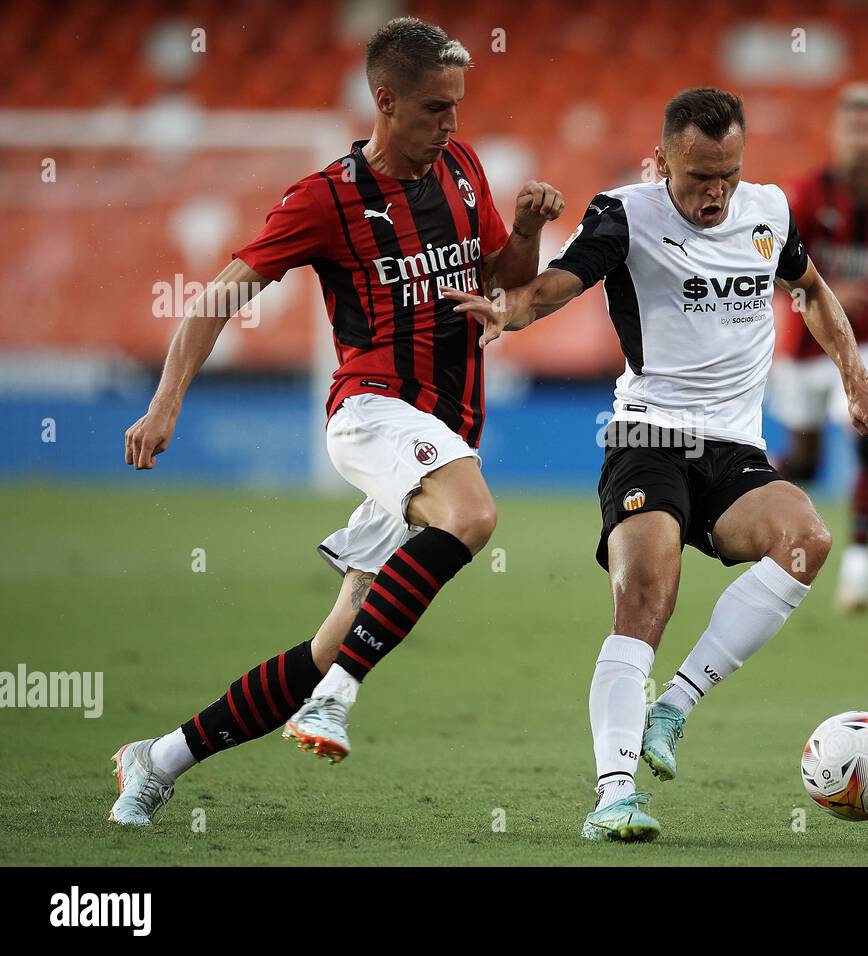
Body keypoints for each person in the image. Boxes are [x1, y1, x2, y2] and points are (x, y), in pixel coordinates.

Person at [110, 17, 564, 826]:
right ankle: (334, 701)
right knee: (474, 515)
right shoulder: (325, 199)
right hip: (373, 413)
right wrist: (166, 400)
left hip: (442, 436)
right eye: (434, 109)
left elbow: (501, 278)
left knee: (333, 640)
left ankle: (159, 759)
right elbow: (218, 297)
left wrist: (527, 229)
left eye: (458, 106)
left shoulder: (461, 168)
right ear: (385, 101)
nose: (451, 125)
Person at [441, 87, 868, 842]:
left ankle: (674, 707)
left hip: (734, 450)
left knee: (807, 539)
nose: (714, 194)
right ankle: (613, 795)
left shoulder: (769, 211)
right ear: (663, 163)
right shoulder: (626, 213)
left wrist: (856, 379)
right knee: (647, 600)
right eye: (697, 179)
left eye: (727, 175)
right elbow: (563, 279)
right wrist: (513, 310)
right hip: (649, 440)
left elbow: (811, 291)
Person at [768, 82, 868, 611]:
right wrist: (825, 290)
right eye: (853, 127)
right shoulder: (806, 196)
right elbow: (768, 273)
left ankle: (858, 572)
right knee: (807, 463)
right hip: (804, 352)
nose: (862, 138)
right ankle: (738, 495)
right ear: (836, 134)